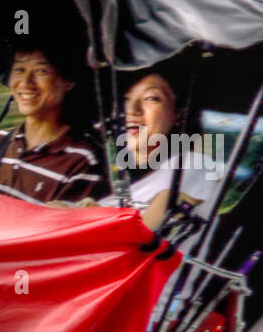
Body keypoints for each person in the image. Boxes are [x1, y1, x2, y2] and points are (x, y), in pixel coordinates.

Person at [0, 45, 107, 205]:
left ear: (68, 82)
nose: (26, 83)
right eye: (19, 69)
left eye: (41, 71)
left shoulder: (82, 161)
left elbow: (69, 227)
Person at [91, 71, 221, 230]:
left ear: (180, 113)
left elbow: (139, 238)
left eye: (151, 98)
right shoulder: (107, 171)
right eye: (126, 99)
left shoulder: (193, 166)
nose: (132, 110)